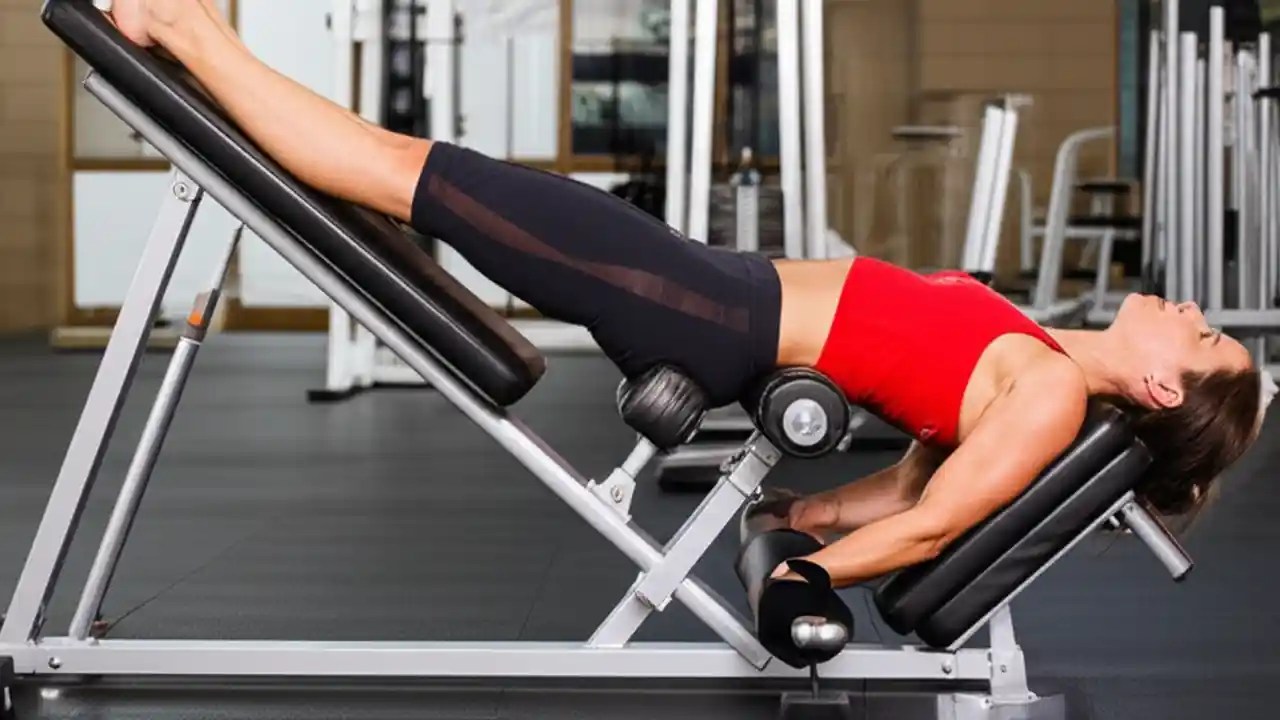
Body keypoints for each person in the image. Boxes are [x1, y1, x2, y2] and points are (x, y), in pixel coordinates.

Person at [104, 0, 1272, 592]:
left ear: (1164, 384)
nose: (1187, 310)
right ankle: (196, 34)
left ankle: (188, 28)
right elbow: (912, 482)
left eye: (1203, 335)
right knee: (410, 171)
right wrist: (804, 518)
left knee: (400, 171)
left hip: (693, 306)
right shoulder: (1038, 365)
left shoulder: (1047, 401)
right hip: (703, 288)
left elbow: (932, 525)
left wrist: (806, 572)